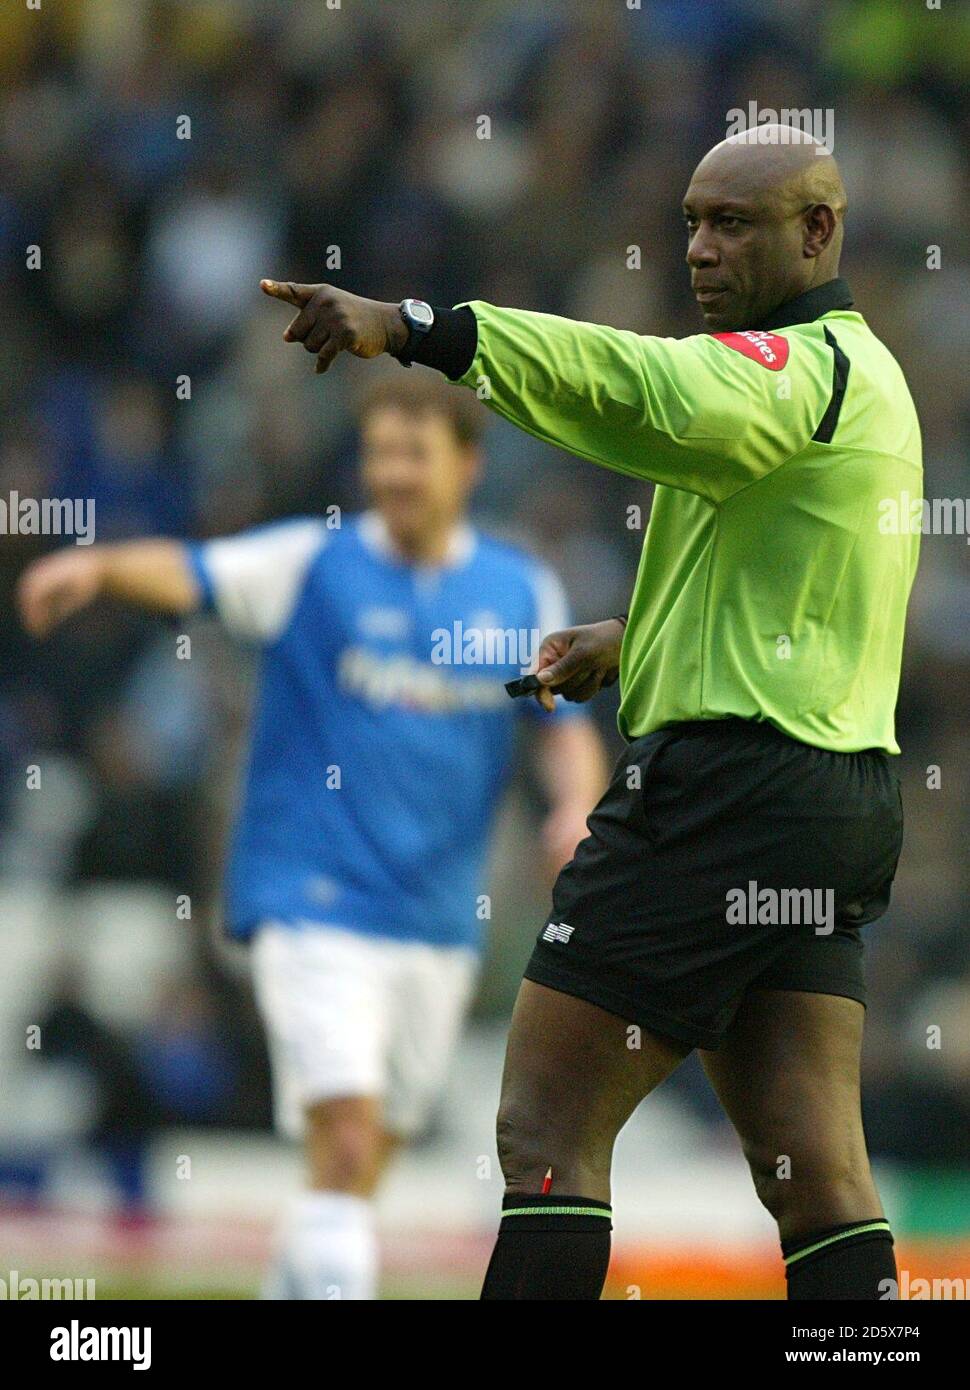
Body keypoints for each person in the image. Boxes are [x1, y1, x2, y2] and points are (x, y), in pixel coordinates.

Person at [258, 124, 922, 1301]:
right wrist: (638, 642)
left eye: (732, 223)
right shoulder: (863, 386)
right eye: (690, 222)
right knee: (816, 1172)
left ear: (818, 231)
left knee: (544, 1134)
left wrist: (415, 330)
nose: (700, 250)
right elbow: (806, 596)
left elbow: (636, 386)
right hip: (828, 801)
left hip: (727, 789)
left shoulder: (791, 369)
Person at [17, 370, 607, 1300]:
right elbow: (194, 573)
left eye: (415, 454)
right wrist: (95, 568)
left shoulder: (517, 589)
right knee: (343, 1138)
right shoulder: (313, 565)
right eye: (381, 455)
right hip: (312, 900)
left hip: (439, 919)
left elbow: (563, 726)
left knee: (363, 1162)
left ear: (467, 464)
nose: (395, 475)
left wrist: (573, 808)